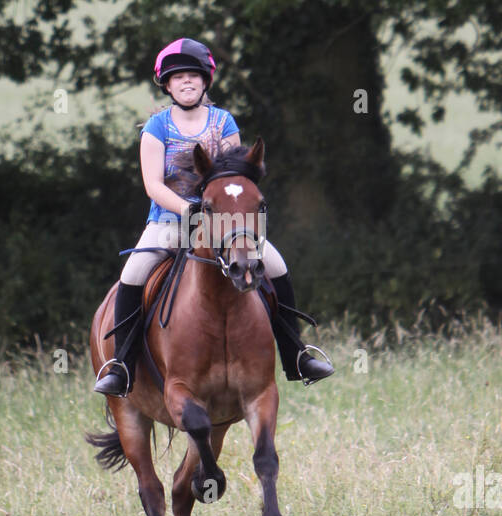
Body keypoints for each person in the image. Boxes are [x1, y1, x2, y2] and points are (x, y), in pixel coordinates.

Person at [93, 38, 334, 396]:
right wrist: (190, 211)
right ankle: (122, 367)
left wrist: (217, 214)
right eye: (178, 77)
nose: (186, 82)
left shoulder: (222, 121)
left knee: (276, 266)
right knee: (133, 275)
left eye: (193, 75)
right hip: (169, 223)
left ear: (205, 81)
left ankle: (295, 355)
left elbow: (235, 175)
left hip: (223, 225)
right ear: (167, 85)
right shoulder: (157, 127)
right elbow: (153, 185)